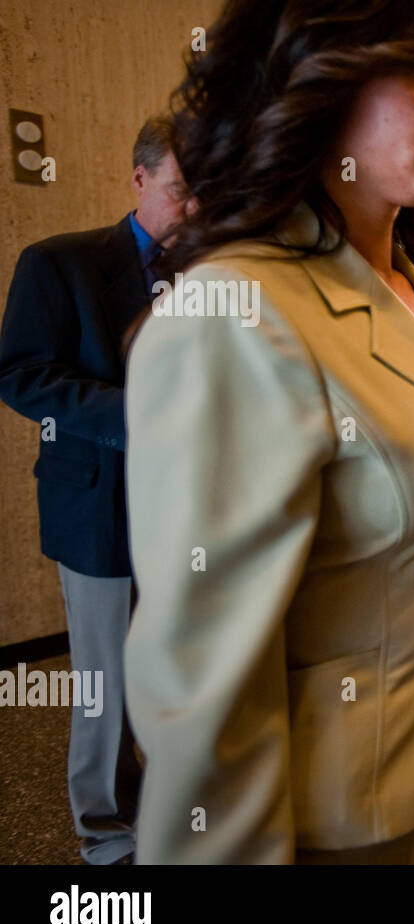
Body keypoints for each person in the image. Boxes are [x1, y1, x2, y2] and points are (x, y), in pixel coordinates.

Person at [123, 0, 414, 864]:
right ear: (314, 81)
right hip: (328, 830)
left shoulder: (408, 278)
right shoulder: (238, 311)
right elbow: (207, 700)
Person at [0, 116, 194, 865]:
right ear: (138, 179)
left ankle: (171, 826)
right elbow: (20, 372)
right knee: (106, 692)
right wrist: (136, 418)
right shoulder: (59, 264)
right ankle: (109, 839)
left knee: (178, 680)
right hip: (100, 509)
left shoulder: (216, 278)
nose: (198, 210)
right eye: (182, 191)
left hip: (192, 514)